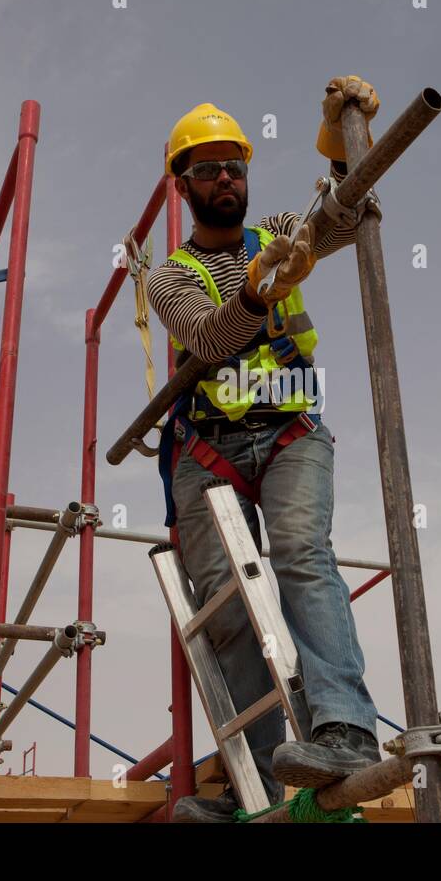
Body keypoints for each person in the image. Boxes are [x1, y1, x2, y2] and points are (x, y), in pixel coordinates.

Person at [147, 76, 384, 822]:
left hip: (289, 431)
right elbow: (214, 341)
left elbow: (346, 216)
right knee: (226, 610)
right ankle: (255, 783)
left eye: (235, 166)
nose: (226, 179)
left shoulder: (280, 229)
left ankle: (344, 731)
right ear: (183, 185)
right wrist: (255, 289)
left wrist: (339, 137)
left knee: (301, 555)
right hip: (208, 447)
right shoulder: (168, 278)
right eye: (209, 169)